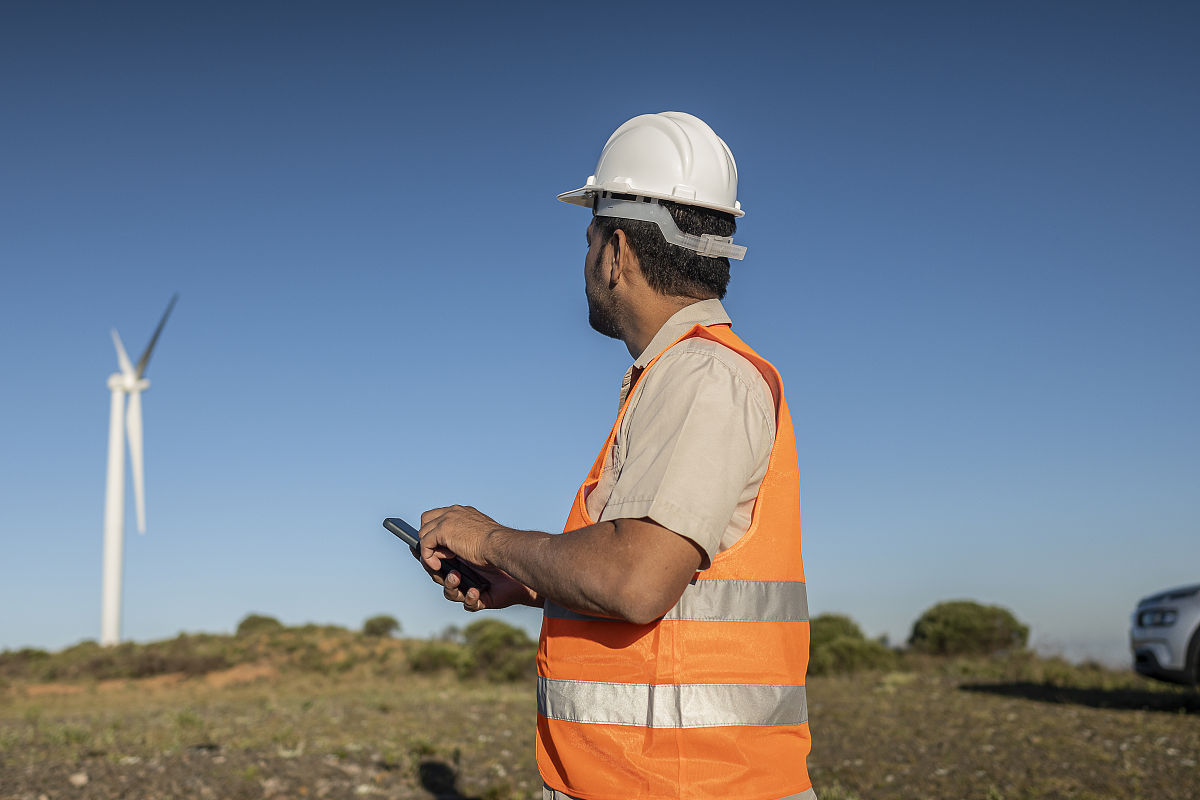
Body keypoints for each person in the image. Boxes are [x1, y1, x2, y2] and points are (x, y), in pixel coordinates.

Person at [417, 112, 814, 800]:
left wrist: (490, 538)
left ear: (616, 250)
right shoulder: (678, 379)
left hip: (684, 785)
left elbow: (636, 581)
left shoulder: (701, 378)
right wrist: (526, 581)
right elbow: (667, 577)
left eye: (590, 236)